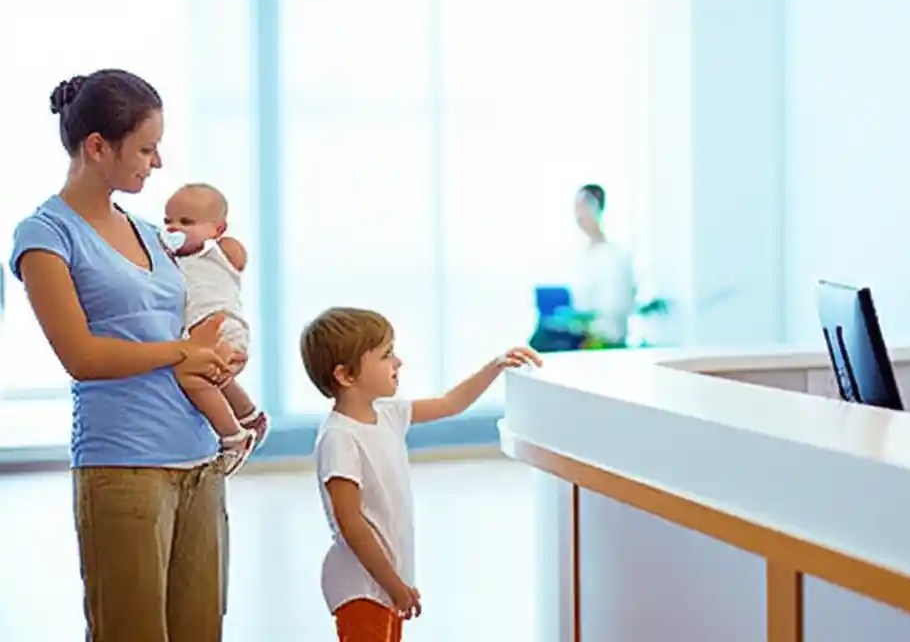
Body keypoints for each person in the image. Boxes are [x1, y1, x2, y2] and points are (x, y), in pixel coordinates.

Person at [9, 69, 238, 641]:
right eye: (145, 148)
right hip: (124, 466)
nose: (156, 163)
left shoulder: (147, 230)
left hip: (198, 460)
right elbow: (82, 355)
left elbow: (188, 316)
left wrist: (216, 355)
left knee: (201, 630)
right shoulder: (45, 236)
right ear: (96, 147)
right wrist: (183, 352)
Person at [301, 306, 541, 641]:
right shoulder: (339, 438)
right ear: (346, 376)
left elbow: (450, 403)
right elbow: (350, 523)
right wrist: (393, 583)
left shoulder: (388, 412)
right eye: (386, 355)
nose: (398, 362)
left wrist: (497, 364)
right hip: (363, 585)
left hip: (386, 578)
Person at [163, 182, 270, 473]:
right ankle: (249, 415)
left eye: (186, 222)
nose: (173, 228)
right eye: (167, 221)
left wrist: (216, 238)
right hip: (201, 335)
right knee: (215, 377)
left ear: (217, 230)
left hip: (225, 328)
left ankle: (233, 435)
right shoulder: (169, 262)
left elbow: (237, 252)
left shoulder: (221, 254)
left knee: (194, 378)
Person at [569, 183, 635, 347]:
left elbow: (616, 307)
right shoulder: (584, 255)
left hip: (607, 342)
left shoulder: (615, 256)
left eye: (582, 208)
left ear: (596, 209)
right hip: (583, 338)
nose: (578, 215)